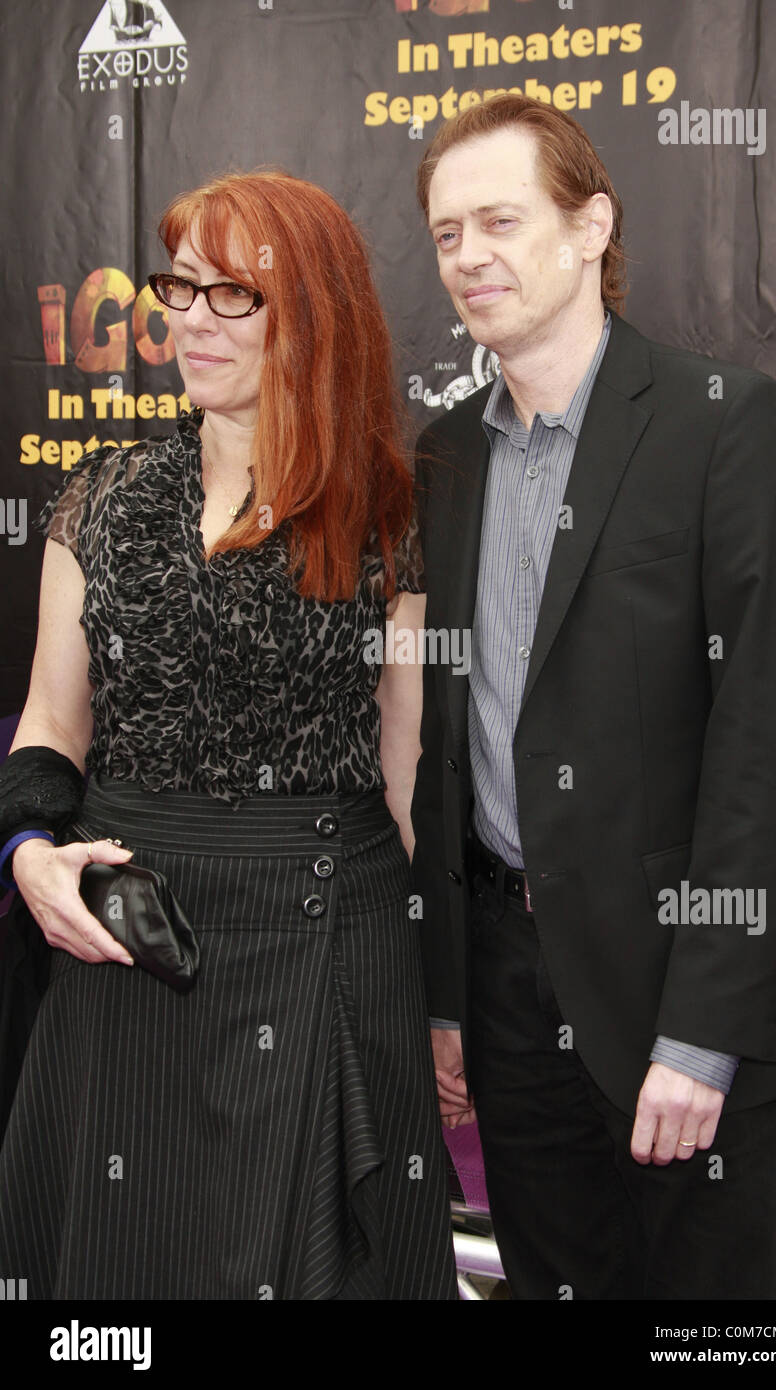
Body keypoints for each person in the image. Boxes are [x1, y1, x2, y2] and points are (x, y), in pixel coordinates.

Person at [0, 169, 457, 1300]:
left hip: (326, 939)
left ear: (312, 311)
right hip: (129, 942)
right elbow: (51, 726)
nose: (189, 318)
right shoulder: (97, 498)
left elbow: (408, 782)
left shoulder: (387, 514)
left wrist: (436, 991)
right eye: (178, 287)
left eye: (231, 294)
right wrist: (27, 856)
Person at [409, 93, 776, 1300]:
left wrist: (703, 1038)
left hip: (684, 995)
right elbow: (445, 751)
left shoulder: (723, 424)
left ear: (591, 225)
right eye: (446, 233)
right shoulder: (442, 459)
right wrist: (448, 997)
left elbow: (763, 750)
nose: (469, 256)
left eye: (499, 219)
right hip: (505, 993)